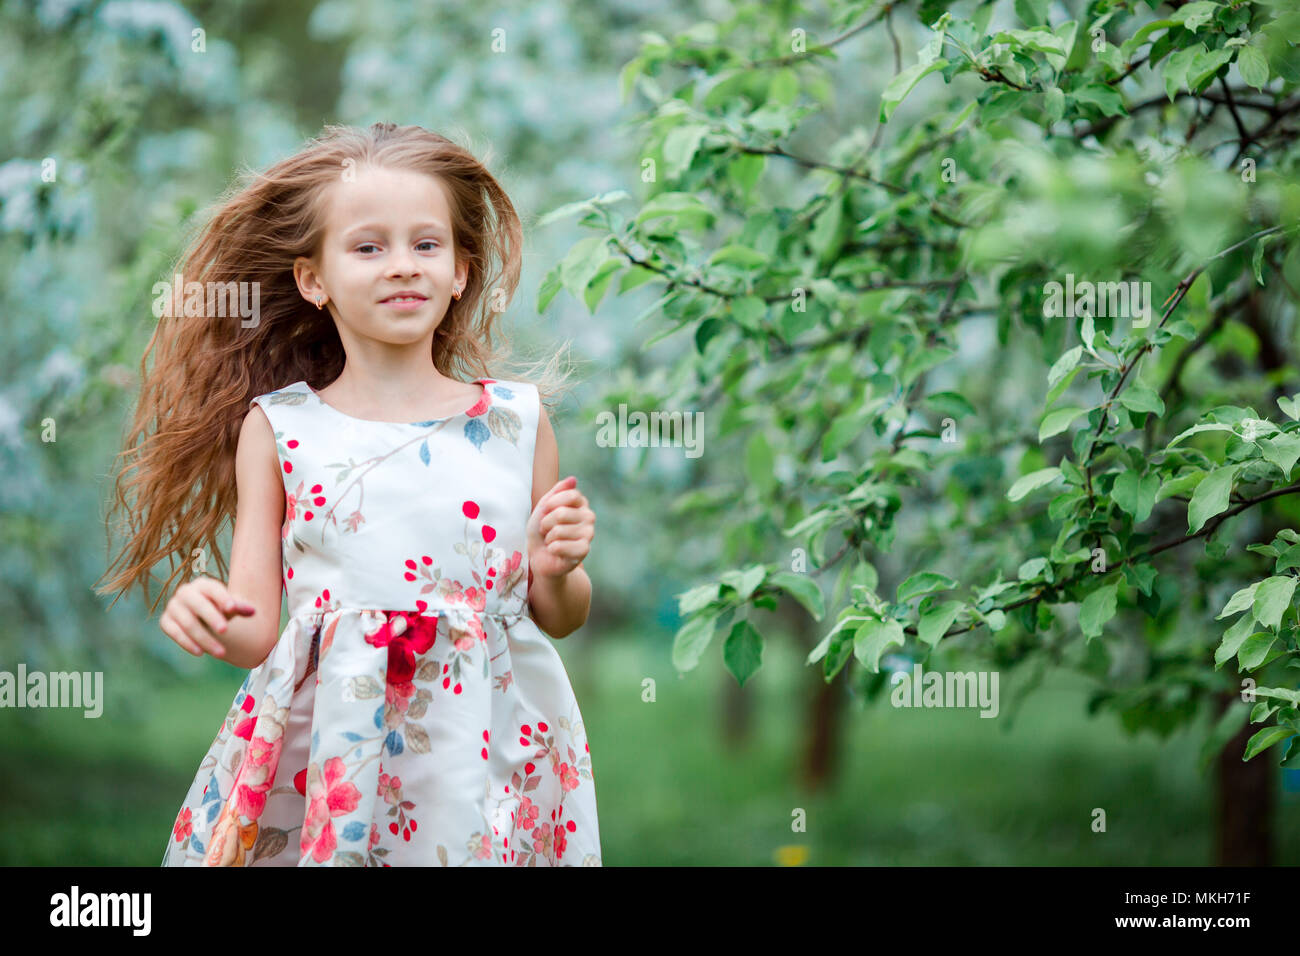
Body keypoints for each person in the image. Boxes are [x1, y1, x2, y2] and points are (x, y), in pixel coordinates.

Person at [95, 122, 601, 866]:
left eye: (426, 245)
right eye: (369, 247)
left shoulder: (514, 421)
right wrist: (207, 611)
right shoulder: (281, 429)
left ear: (461, 271)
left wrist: (556, 566)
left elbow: (558, 615)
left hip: (485, 754)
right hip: (336, 755)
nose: (402, 266)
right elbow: (257, 632)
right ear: (314, 279)